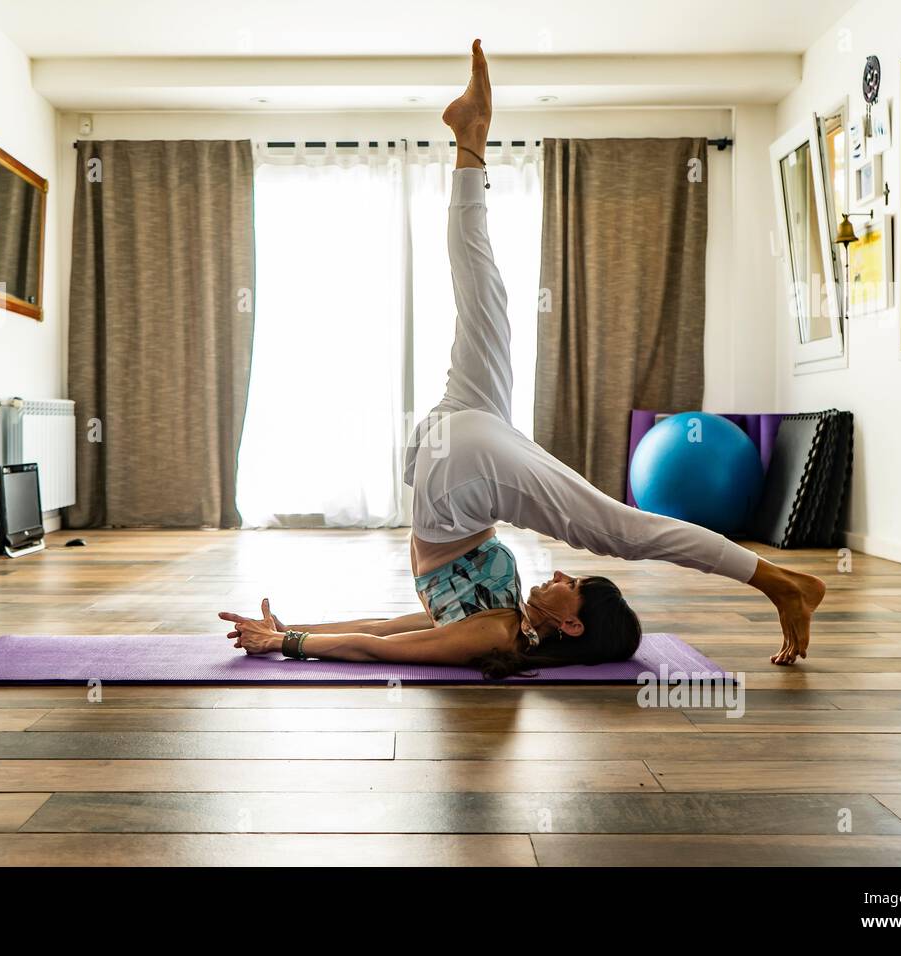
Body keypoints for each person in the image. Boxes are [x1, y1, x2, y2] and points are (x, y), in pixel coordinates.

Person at [222, 40, 824, 676]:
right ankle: (470, 140)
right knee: (482, 291)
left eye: (575, 586)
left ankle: (780, 583)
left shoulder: (495, 636)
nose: (560, 570)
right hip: (462, 461)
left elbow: (385, 640)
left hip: (461, 470)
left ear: (572, 623)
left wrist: (287, 639)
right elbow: (387, 630)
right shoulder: (502, 622)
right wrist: (290, 633)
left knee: (624, 530)